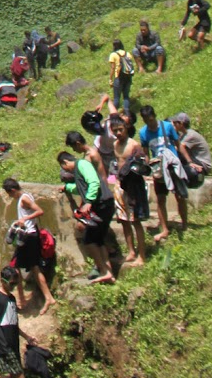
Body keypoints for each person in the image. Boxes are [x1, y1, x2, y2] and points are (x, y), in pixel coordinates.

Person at [59, 149, 116, 282]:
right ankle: (109, 272)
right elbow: (80, 188)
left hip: (101, 205)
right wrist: (67, 187)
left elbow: (94, 182)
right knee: (99, 240)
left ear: (65, 162)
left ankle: (103, 271)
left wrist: (88, 202)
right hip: (103, 205)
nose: (65, 170)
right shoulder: (80, 170)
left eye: (63, 167)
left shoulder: (82, 165)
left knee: (89, 240)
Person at [1, 179, 55, 315]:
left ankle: (24, 300)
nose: (9, 197)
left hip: (28, 237)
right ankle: (43, 298)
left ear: (12, 190)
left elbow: (40, 211)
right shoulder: (25, 196)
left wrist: (24, 219)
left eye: (9, 194)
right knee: (33, 268)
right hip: (30, 236)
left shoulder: (24, 199)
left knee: (16, 266)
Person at [138, 104, 189, 239]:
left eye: (150, 119)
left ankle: (184, 224)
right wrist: (147, 169)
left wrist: (189, 162)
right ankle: (164, 228)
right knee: (160, 198)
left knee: (180, 196)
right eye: (146, 121)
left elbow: (178, 145)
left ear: (154, 116)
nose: (149, 123)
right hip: (158, 168)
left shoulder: (167, 127)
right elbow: (146, 153)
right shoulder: (143, 133)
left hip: (171, 165)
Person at [109, 112, 148, 265]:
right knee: (124, 220)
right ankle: (131, 251)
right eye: (115, 130)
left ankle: (142, 255)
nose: (118, 133)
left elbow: (142, 166)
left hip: (133, 186)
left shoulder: (134, 145)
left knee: (135, 220)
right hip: (120, 185)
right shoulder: (114, 145)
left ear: (127, 128)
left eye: (121, 129)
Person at [173, 112, 212, 178]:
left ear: (181, 124)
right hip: (195, 160)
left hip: (203, 165)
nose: (173, 125)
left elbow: (179, 148)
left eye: (175, 123)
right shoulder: (183, 135)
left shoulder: (190, 135)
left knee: (179, 155)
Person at [107, 39, 134, 113]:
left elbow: (113, 68)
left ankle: (113, 114)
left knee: (116, 98)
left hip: (118, 78)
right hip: (128, 77)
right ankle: (127, 114)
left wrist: (110, 79)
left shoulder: (113, 54)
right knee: (126, 96)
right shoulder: (127, 53)